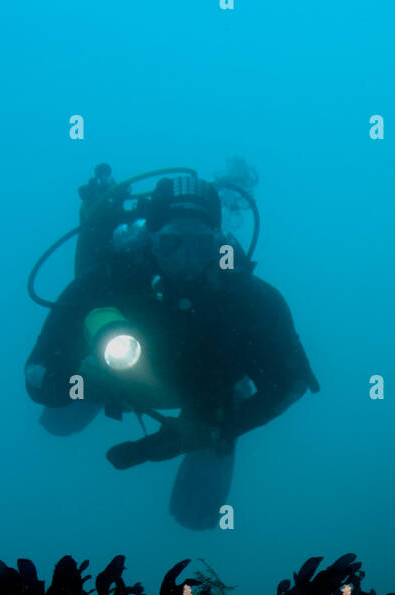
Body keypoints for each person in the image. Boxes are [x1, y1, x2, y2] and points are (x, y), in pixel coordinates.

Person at [24, 170, 319, 526]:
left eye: (201, 245)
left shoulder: (249, 299)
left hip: (209, 402)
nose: (187, 259)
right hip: (115, 380)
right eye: (172, 243)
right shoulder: (109, 282)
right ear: (150, 240)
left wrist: (215, 430)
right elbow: (36, 375)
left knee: (195, 516)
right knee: (55, 422)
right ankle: (92, 393)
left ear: (219, 242)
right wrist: (81, 381)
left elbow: (290, 383)